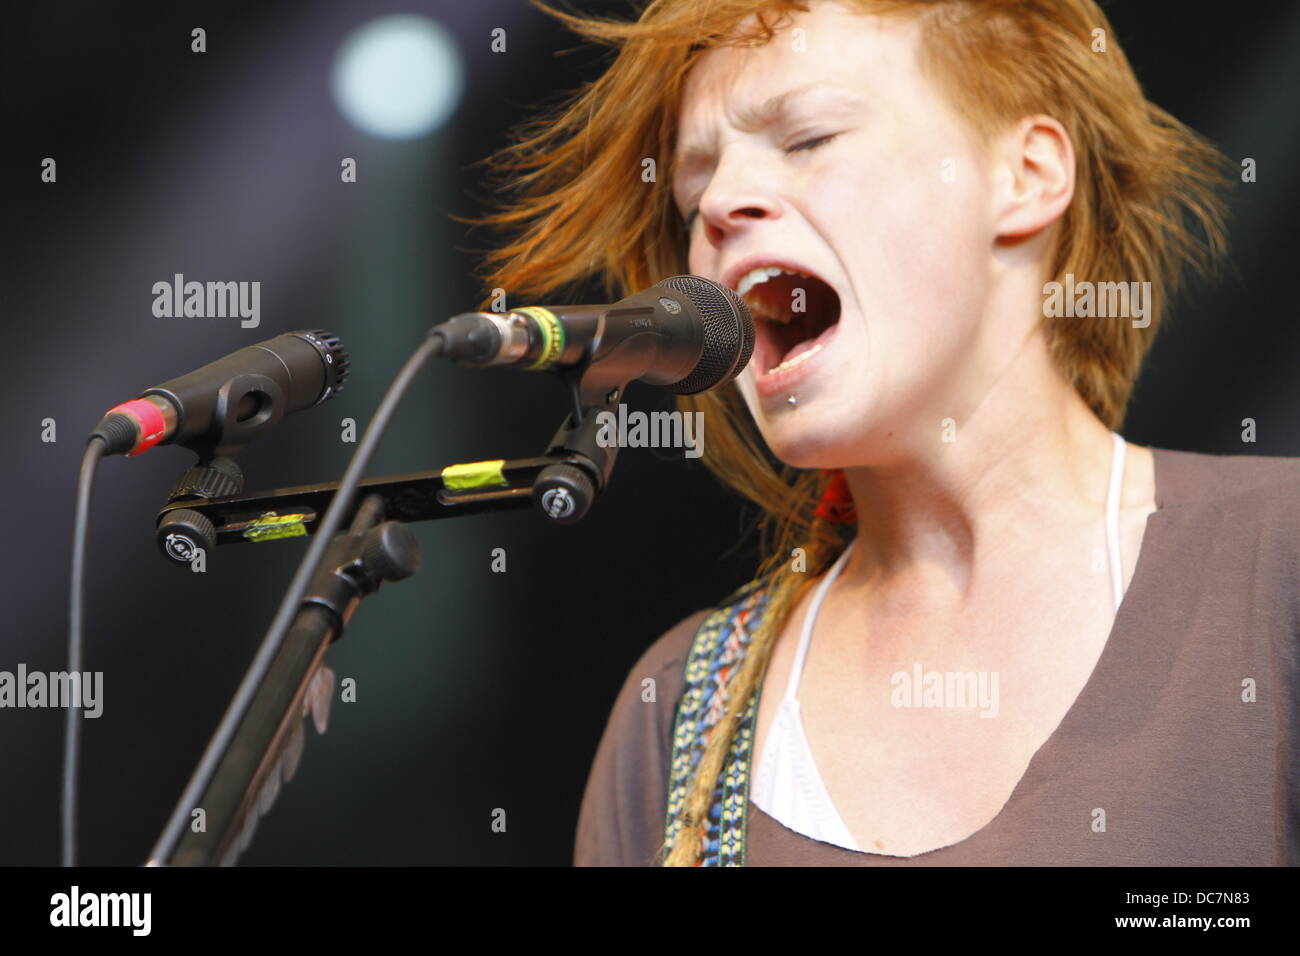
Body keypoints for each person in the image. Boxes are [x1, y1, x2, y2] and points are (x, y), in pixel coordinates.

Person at [479, 0, 1297, 865]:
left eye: (809, 139)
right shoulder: (681, 712)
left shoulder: (1274, 560)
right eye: (691, 193)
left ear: (1026, 174)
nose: (718, 203)